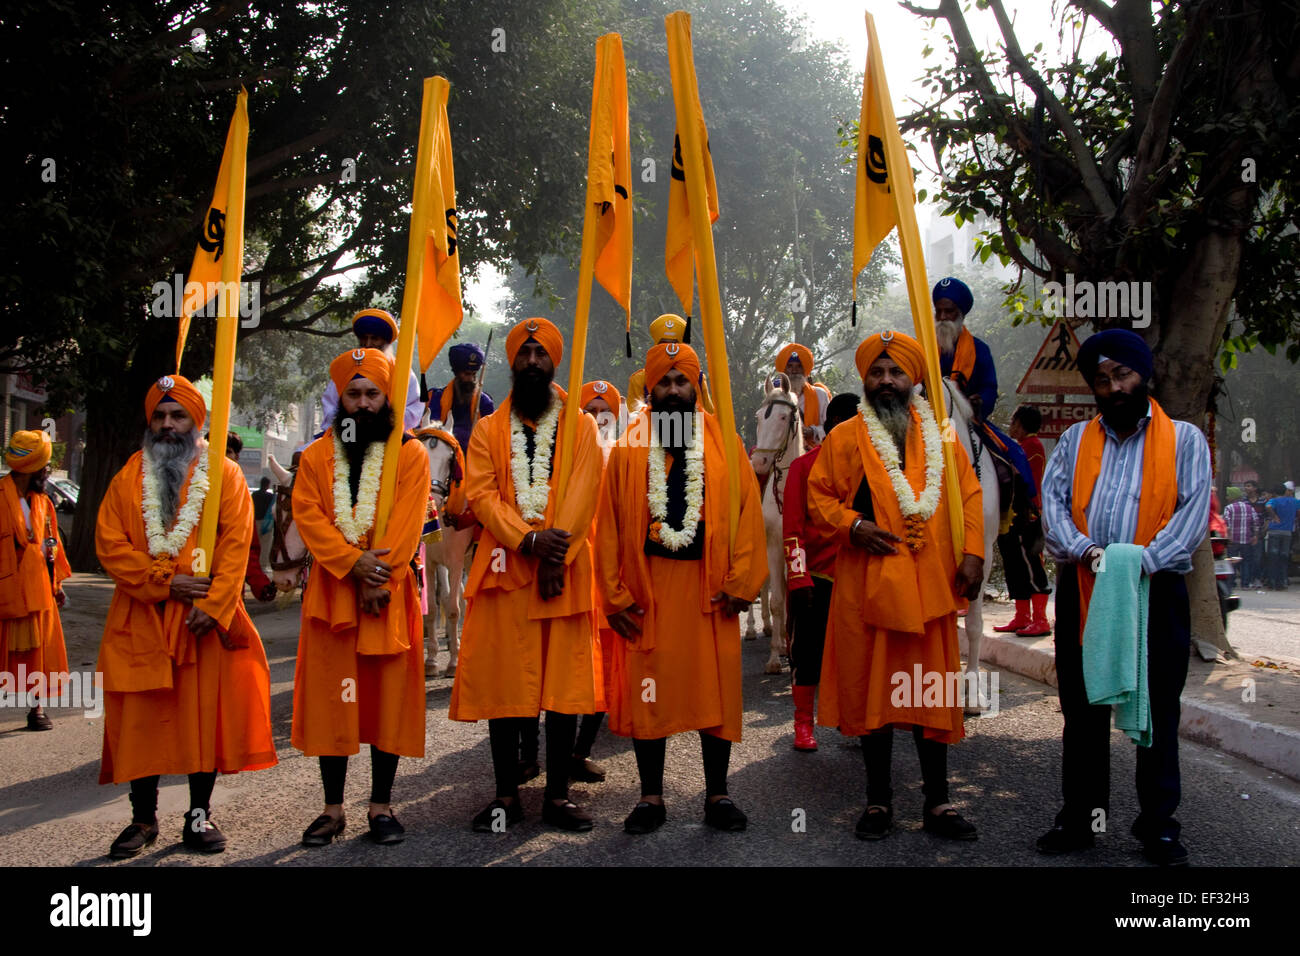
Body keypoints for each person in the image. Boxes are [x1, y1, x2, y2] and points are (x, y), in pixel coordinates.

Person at [1037, 329, 1211, 866]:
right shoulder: (1074, 441)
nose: (1113, 387)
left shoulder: (1184, 440)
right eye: (1102, 379)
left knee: (1157, 710)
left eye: (1122, 375)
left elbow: (1192, 515)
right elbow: (1054, 506)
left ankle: (1158, 826)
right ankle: (1081, 820)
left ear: (1144, 375)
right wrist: (1090, 554)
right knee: (1082, 713)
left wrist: (1139, 563)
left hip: (1155, 592)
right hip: (1085, 589)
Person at [807, 331, 985, 841]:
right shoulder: (845, 437)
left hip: (929, 588)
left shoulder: (945, 437)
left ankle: (939, 803)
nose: (886, 381)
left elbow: (969, 497)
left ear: (914, 380)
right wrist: (854, 526)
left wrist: (973, 554)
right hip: (867, 591)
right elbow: (818, 497)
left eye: (895, 373)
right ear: (865, 380)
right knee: (874, 698)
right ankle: (879, 802)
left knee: (932, 694)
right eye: (877, 373)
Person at [95, 375, 276, 859]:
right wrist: (164, 580)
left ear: (197, 421)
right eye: (160, 415)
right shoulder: (127, 476)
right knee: (140, 721)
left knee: (203, 721)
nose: (169, 424)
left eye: (178, 416)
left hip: (201, 621)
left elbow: (238, 545)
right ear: (150, 422)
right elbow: (109, 545)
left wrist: (214, 606)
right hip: (141, 615)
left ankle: (198, 817)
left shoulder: (225, 474)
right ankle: (142, 820)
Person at [596, 342, 767, 834]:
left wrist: (742, 582)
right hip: (649, 593)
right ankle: (651, 798)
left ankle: (718, 794)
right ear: (650, 388)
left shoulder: (724, 441)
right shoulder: (630, 443)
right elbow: (606, 524)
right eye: (665, 382)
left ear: (697, 387)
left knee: (714, 694)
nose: (673, 390)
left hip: (709, 592)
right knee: (650, 693)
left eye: (682, 381)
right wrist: (613, 596)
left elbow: (748, 516)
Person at [449, 318, 604, 833]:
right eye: (525, 353)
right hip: (505, 572)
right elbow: (482, 494)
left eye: (541, 353)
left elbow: (585, 492)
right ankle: (505, 795)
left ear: (554, 361)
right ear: (512, 363)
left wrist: (556, 554)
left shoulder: (580, 425)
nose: (533, 361)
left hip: (564, 571)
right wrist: (528, 541)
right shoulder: (491, 429)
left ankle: (557, 796)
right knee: (503, 687)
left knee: (562, 690)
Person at [292, 348, 430, 846]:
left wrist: (379, 576)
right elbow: (309, 517)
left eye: (373, 393)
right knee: (336, 701)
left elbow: (408, 522)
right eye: (353, 394)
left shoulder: (409, 453)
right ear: (340, 399)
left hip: (387, 596)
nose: (364, 403)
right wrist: (353, 565)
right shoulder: (314, 456)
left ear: (387, 398)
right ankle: (332, 809)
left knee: (385, 700)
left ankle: (381, 807)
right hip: (333, 596)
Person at [782, 393, 860, 751]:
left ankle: (855, 718)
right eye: (841, 422)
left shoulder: (876, 466)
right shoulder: (803, 467)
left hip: (860, 578)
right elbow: (793, 527)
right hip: (818, 579)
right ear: (829, 426)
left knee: (856, 655)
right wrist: (799, 578)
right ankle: (802, 725)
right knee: (808, 654)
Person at [568, 379, 624, 784]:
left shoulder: (628, 455)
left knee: (602, 669)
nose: (598, 418)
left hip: (606, 576)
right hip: (569, 572)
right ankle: (532, 754)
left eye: (606, 412)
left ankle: (579, 752)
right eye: (590, 411)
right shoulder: (562, 453)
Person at [1, 430, 70, 731]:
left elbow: (52, 544)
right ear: (36, 468)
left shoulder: (43, 502)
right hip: (6, 584)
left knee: (39, 649)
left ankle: (36, 708)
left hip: (39, 586)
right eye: (45, 466)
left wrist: (57, 584)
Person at [994, 405, 1053, 636]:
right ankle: (1022, 616)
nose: (1011, 427)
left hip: (1028, 514)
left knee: (1031, 563)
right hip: (1012, 514)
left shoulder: (1031, 447)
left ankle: (1041, 619)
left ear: (1021, 423)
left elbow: (1022, 480)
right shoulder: (1019, 447)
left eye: (1013, 422)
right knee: (1014, 564)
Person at [319, 309, 424, 433]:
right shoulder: (346, 366)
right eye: (364, 338)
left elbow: (414, 409)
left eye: (375, 338)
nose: (368, 344)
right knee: (302, 452)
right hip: (347, 433)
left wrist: (380, 423)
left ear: (385, 341)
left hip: (392, 436)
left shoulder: (402, 371)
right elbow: (331, 406)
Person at [216, 432, 276, 604]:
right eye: (213, 449)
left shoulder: (239, 493)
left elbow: (247, 547)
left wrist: (259, 583)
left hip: (227, 585)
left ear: (236, 457)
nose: (221, 457)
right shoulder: (189, 486)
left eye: (227, 452)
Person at [932, 277, 997, 420]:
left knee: (1006, 444)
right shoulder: (923, 347)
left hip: (967, 421)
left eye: (949, 311)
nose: (942, 317)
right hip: (925, 420)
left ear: (961, 314)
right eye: (938, 311)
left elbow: (989, 388)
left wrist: (980, 402)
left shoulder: (980, 349)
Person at [625, 314, 716, 413]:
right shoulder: (639, 379)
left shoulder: (697, 377)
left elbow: (709, 415)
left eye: (674, 344)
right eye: (663, 344)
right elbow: (633, 420)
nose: (669, 350)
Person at [427, 342, 495, 455]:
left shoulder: (484, 402)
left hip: (473, 459)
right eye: (467, 374)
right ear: (456, 372)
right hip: (441, 456)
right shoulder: (435, 397)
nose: (470, 379)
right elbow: (430, 429)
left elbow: (491, 436)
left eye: (474, 374)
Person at [774, 343, 834, 446]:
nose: (794, 370)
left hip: (815, 455)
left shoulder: (820, 394)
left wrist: (813, 431)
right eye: (789, 366)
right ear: (784, 370)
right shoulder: (776, 397)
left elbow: (832, 427)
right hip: (783, 455)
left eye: (799, 366)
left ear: (805, 370)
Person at [1223, 487, 1261, 588]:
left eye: (1228, 495)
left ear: (1232, 497)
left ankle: (1231, 583)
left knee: (1232, 561)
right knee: (1246, 561)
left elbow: (1227, 523)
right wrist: (1255, 536)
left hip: (1233, 540)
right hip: (1246, 539)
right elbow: (1256, 522)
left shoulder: (1229, 508)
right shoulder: (1249, 507)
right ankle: (1245, 584)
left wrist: (1229, 536)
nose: (1227, 497)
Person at [1264, 483, 1299, 590]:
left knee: (1273, 557)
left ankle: (1271, 582)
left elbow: (1268, 506)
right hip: (1287, 532)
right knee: (1284, 557)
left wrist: (1274, 516)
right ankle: (1282, 582)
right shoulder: (1294, 501)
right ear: (1285, 491)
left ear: (1275, 493)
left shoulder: (1274, 501)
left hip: (1274, 531)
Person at [251, 475, 275, 564]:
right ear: (268, 485)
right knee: (265, 546)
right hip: (267, 524)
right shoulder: (270, 496)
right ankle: (263, 565)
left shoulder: (254, 495)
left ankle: (255, 563)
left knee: (256, 545)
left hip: (256, 522)